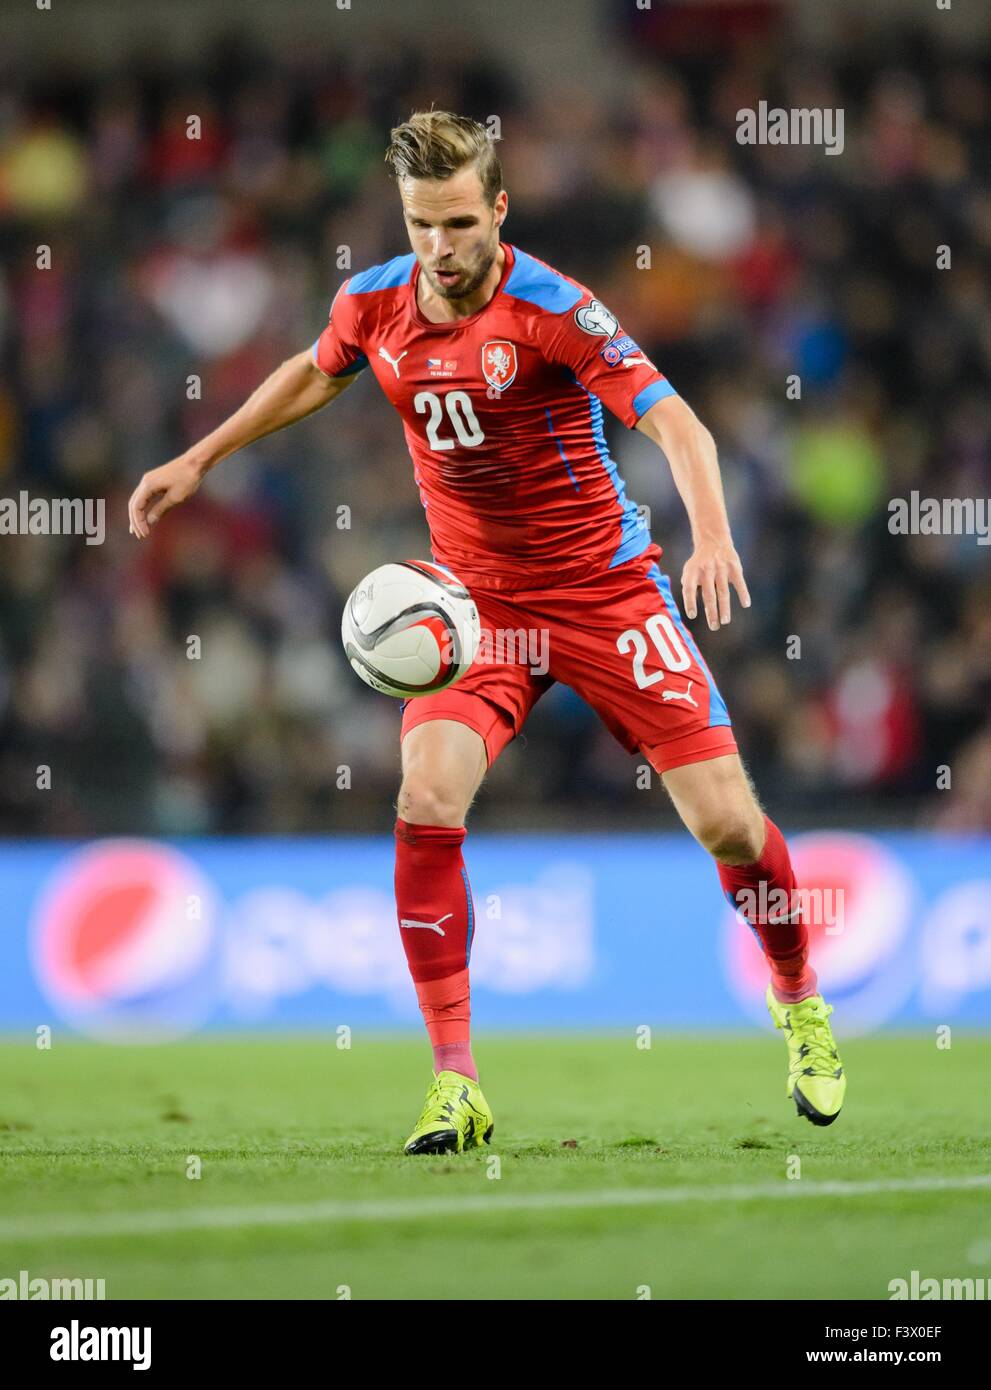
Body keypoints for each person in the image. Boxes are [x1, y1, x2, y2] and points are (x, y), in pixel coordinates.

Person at [128, 110, 845, 1153]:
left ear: (497, 209)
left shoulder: (552, 308)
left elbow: (676, 421)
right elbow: (314, 367)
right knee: (425, 791)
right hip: (476, 608)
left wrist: (711, 538)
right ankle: (455, 1081)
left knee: (728, 826)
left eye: (461, 221)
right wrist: (203, 456)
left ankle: (798, 997)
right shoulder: (373, 301)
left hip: (605, 591)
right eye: (422, 222)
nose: (440, 245)